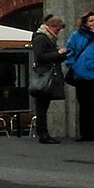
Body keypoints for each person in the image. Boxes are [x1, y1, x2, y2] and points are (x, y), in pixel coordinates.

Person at [65, 12, 94, 141]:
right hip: (81, 75)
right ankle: (84, 133)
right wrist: (74, 67)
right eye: (90, 21)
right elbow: (70, 52)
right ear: (85, 22)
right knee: (84, 104)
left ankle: (93, 133)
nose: (93, 23)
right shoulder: (75, 36)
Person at [30, 13, 67, 144]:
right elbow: (40, 57)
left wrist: (61, 55)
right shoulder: (41, 38)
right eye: (57, 29)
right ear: (52, 26)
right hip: (44, 76)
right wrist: (57, 53)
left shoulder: (46, 38)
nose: (58, 33)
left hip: (46, 74)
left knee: (43, 106)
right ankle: (43, 133)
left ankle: (43, 132)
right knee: (41, 107)